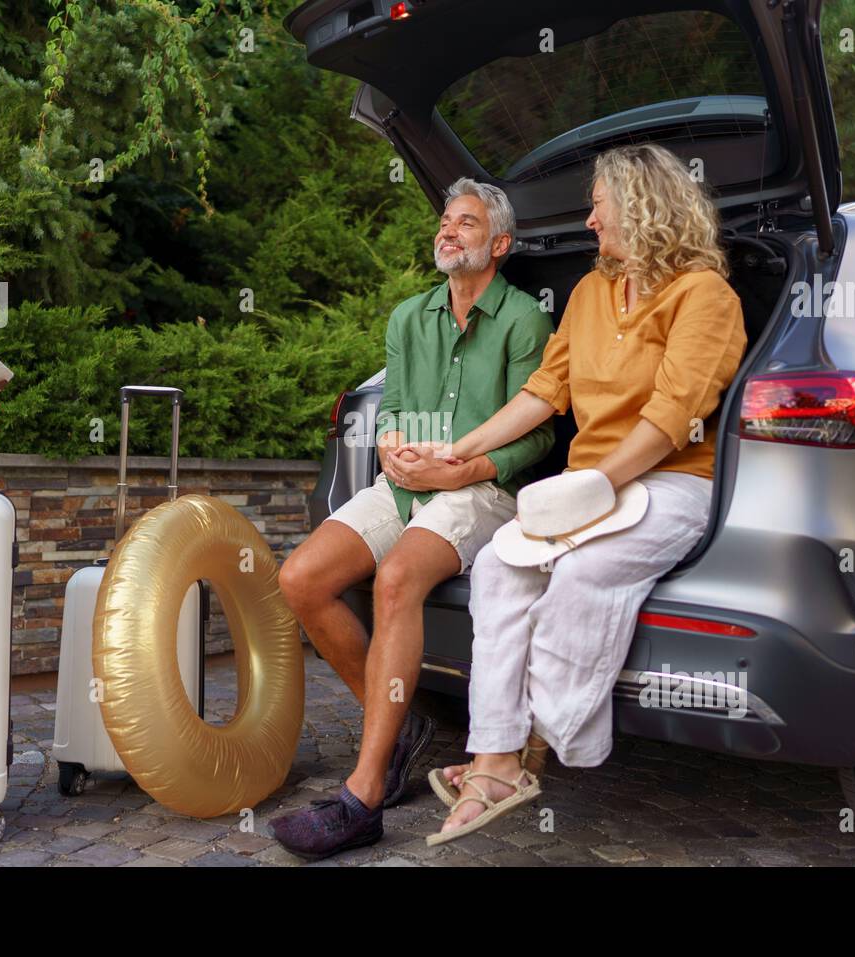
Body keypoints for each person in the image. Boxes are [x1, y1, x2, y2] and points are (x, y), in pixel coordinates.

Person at [408, 143, 748, 844]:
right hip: (587, 485)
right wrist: (458, 448)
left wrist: (596, 484)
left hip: (672, 481)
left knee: (582, 573)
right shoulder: (592, 293)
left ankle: (548, 738)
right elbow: (543, 392)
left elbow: (673, 413)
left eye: (598, 205)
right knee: (500, 566)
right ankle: (496, 756)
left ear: (643, 205)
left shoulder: (704, 295)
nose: (589, 221)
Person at [269, 178, 555, 860]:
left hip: (483, 491)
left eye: (466, 221)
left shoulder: (525, 320)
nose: (448, 230)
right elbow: (393, 408)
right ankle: (394, 729)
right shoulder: (408, 317)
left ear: (500, 245)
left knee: (397, 578)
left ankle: (364, 793)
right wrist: (395, 449)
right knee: (300, 578)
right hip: (404, 487)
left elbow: (538, 436)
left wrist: (467, 468)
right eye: (445, 219)